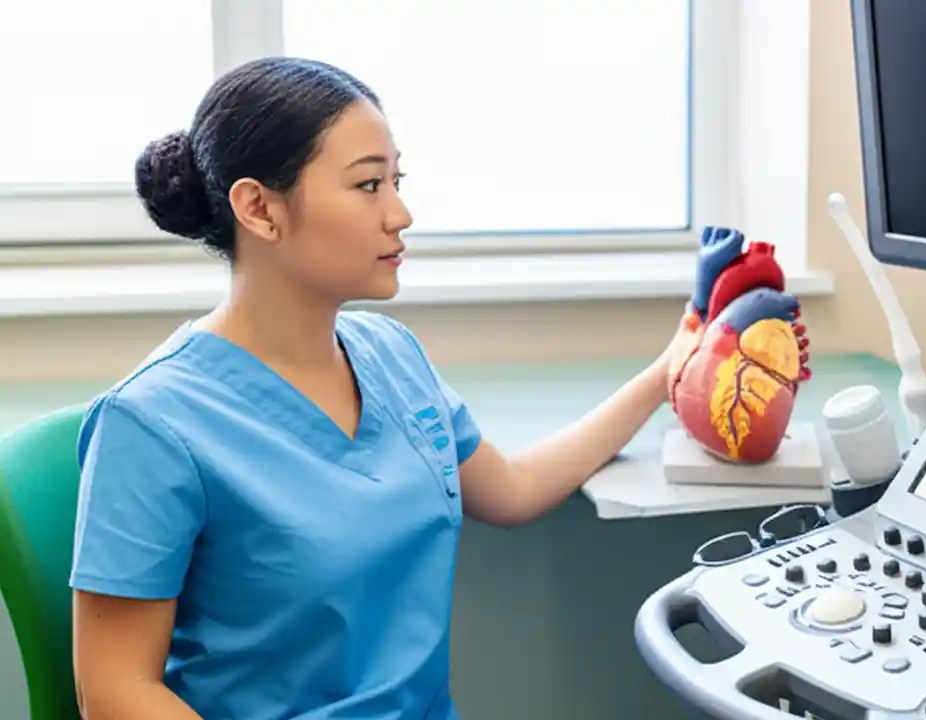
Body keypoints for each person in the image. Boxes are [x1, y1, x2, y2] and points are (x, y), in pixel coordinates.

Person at [68, 57, 806, 719]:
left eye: (396, 181)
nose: (400, 212)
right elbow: (116, 693)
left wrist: (667, 369)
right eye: (366, 185)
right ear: (259, 208)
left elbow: (511, 489)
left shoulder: (390, 357)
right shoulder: (152, 425)